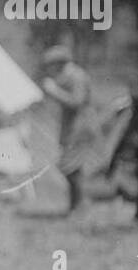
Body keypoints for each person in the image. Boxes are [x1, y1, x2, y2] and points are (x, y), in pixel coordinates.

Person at [39, 44, 102, 214]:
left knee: (71, 166)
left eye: (50, 65)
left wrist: (54, 91)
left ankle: (80, 205)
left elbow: (77, 102)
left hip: (81, 128)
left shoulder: (76, 76)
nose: (49, 69)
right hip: (74, 128)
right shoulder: (67, 76)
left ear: (59, 63)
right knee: (71, 167)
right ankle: (76, 205)